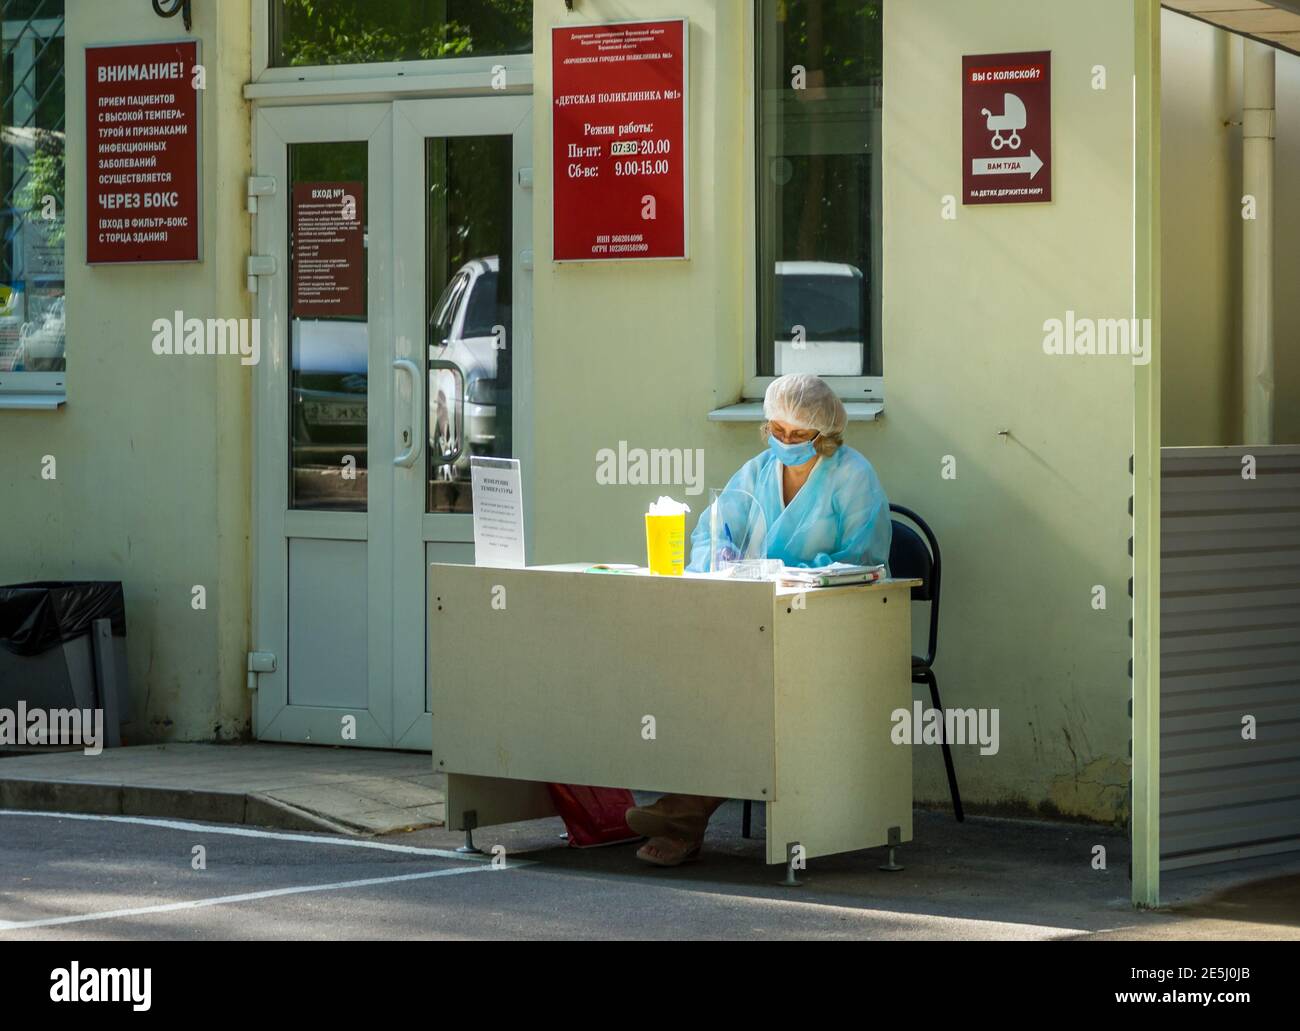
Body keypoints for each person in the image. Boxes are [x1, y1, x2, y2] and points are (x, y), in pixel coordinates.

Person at [627, 373, 892, 866]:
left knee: (751, 689)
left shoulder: (854, 477)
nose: (785, 442)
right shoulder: (755, 472)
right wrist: (721, 555)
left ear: (825, 434)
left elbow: (866, 560)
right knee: (710, 681)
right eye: (777, 430)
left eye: (798, 435)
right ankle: (683, 809)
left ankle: (683, 814)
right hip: (758, 620)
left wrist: (796, 573)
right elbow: (711, 534)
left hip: (832, 625)